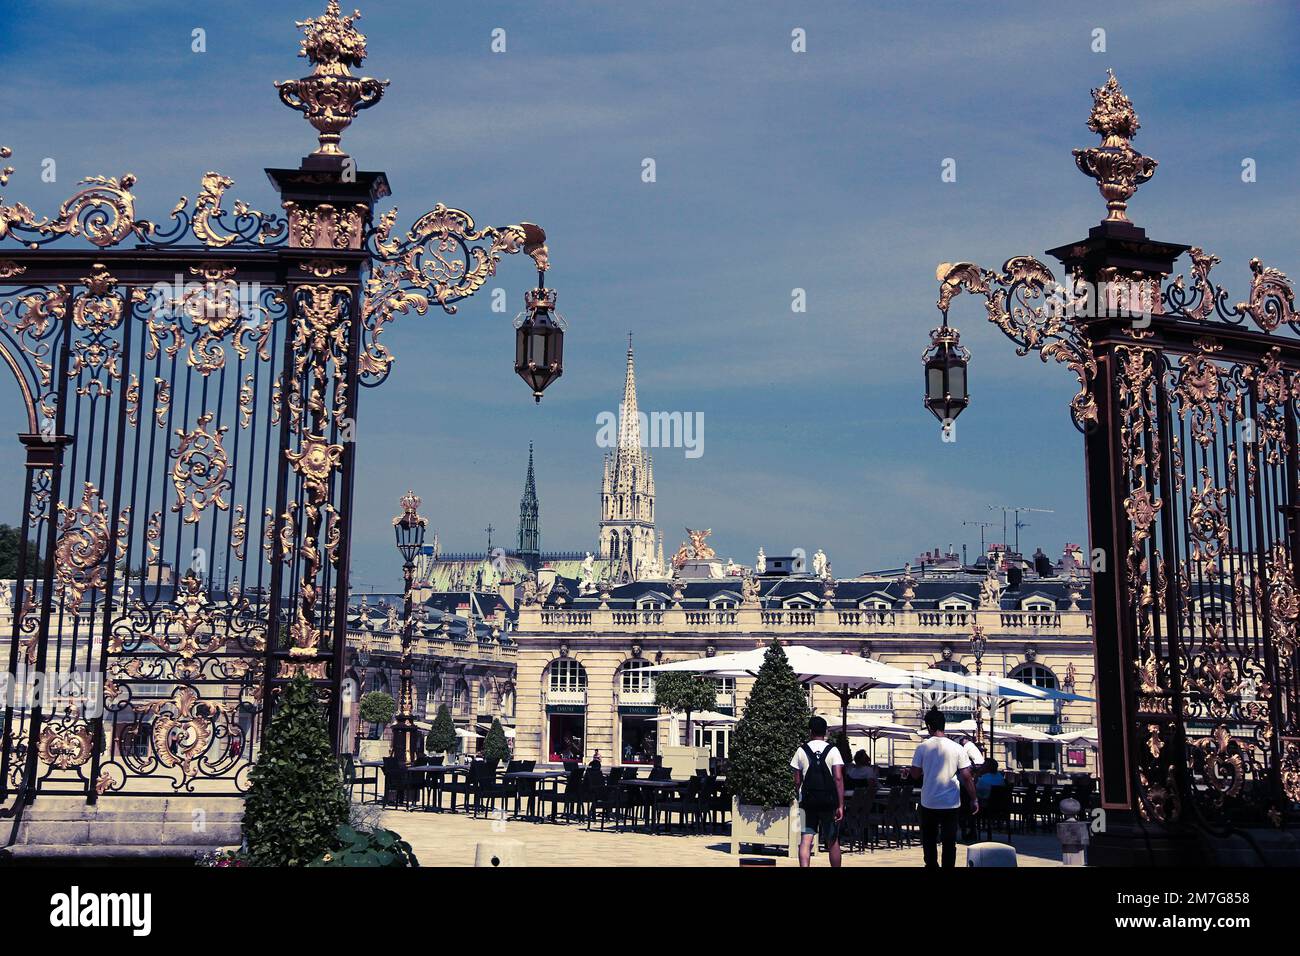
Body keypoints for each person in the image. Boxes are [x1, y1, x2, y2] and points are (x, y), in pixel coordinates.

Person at [904, 708, 979, 868]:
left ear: (929, 726)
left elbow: (915, 774)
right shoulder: (957, 748)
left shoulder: (922, 748)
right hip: (950, 802)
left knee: (929, 840)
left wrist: (921, 769)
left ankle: (931, 866)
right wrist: (974, 798)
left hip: (928, 801)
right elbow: (967, 777)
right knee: (949, 841)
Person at [789, 715, 845, 867]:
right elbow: (838, 778)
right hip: (829, 801)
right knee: (833, 840)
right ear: (825, 732)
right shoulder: (833, 750)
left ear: (810, 731)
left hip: (808, 801)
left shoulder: (801, 750)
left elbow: (797, 780)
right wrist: (840, 805)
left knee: (805, 840)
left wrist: (798, 794)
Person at [956, 734, 984, 842]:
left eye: (962, 740)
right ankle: (971, 829)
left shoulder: (967, 746)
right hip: (972, 797)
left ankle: (965, 829)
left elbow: (961, 753)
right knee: (967, 808)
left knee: (964, 808)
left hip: (976, 766)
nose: (961, 741)